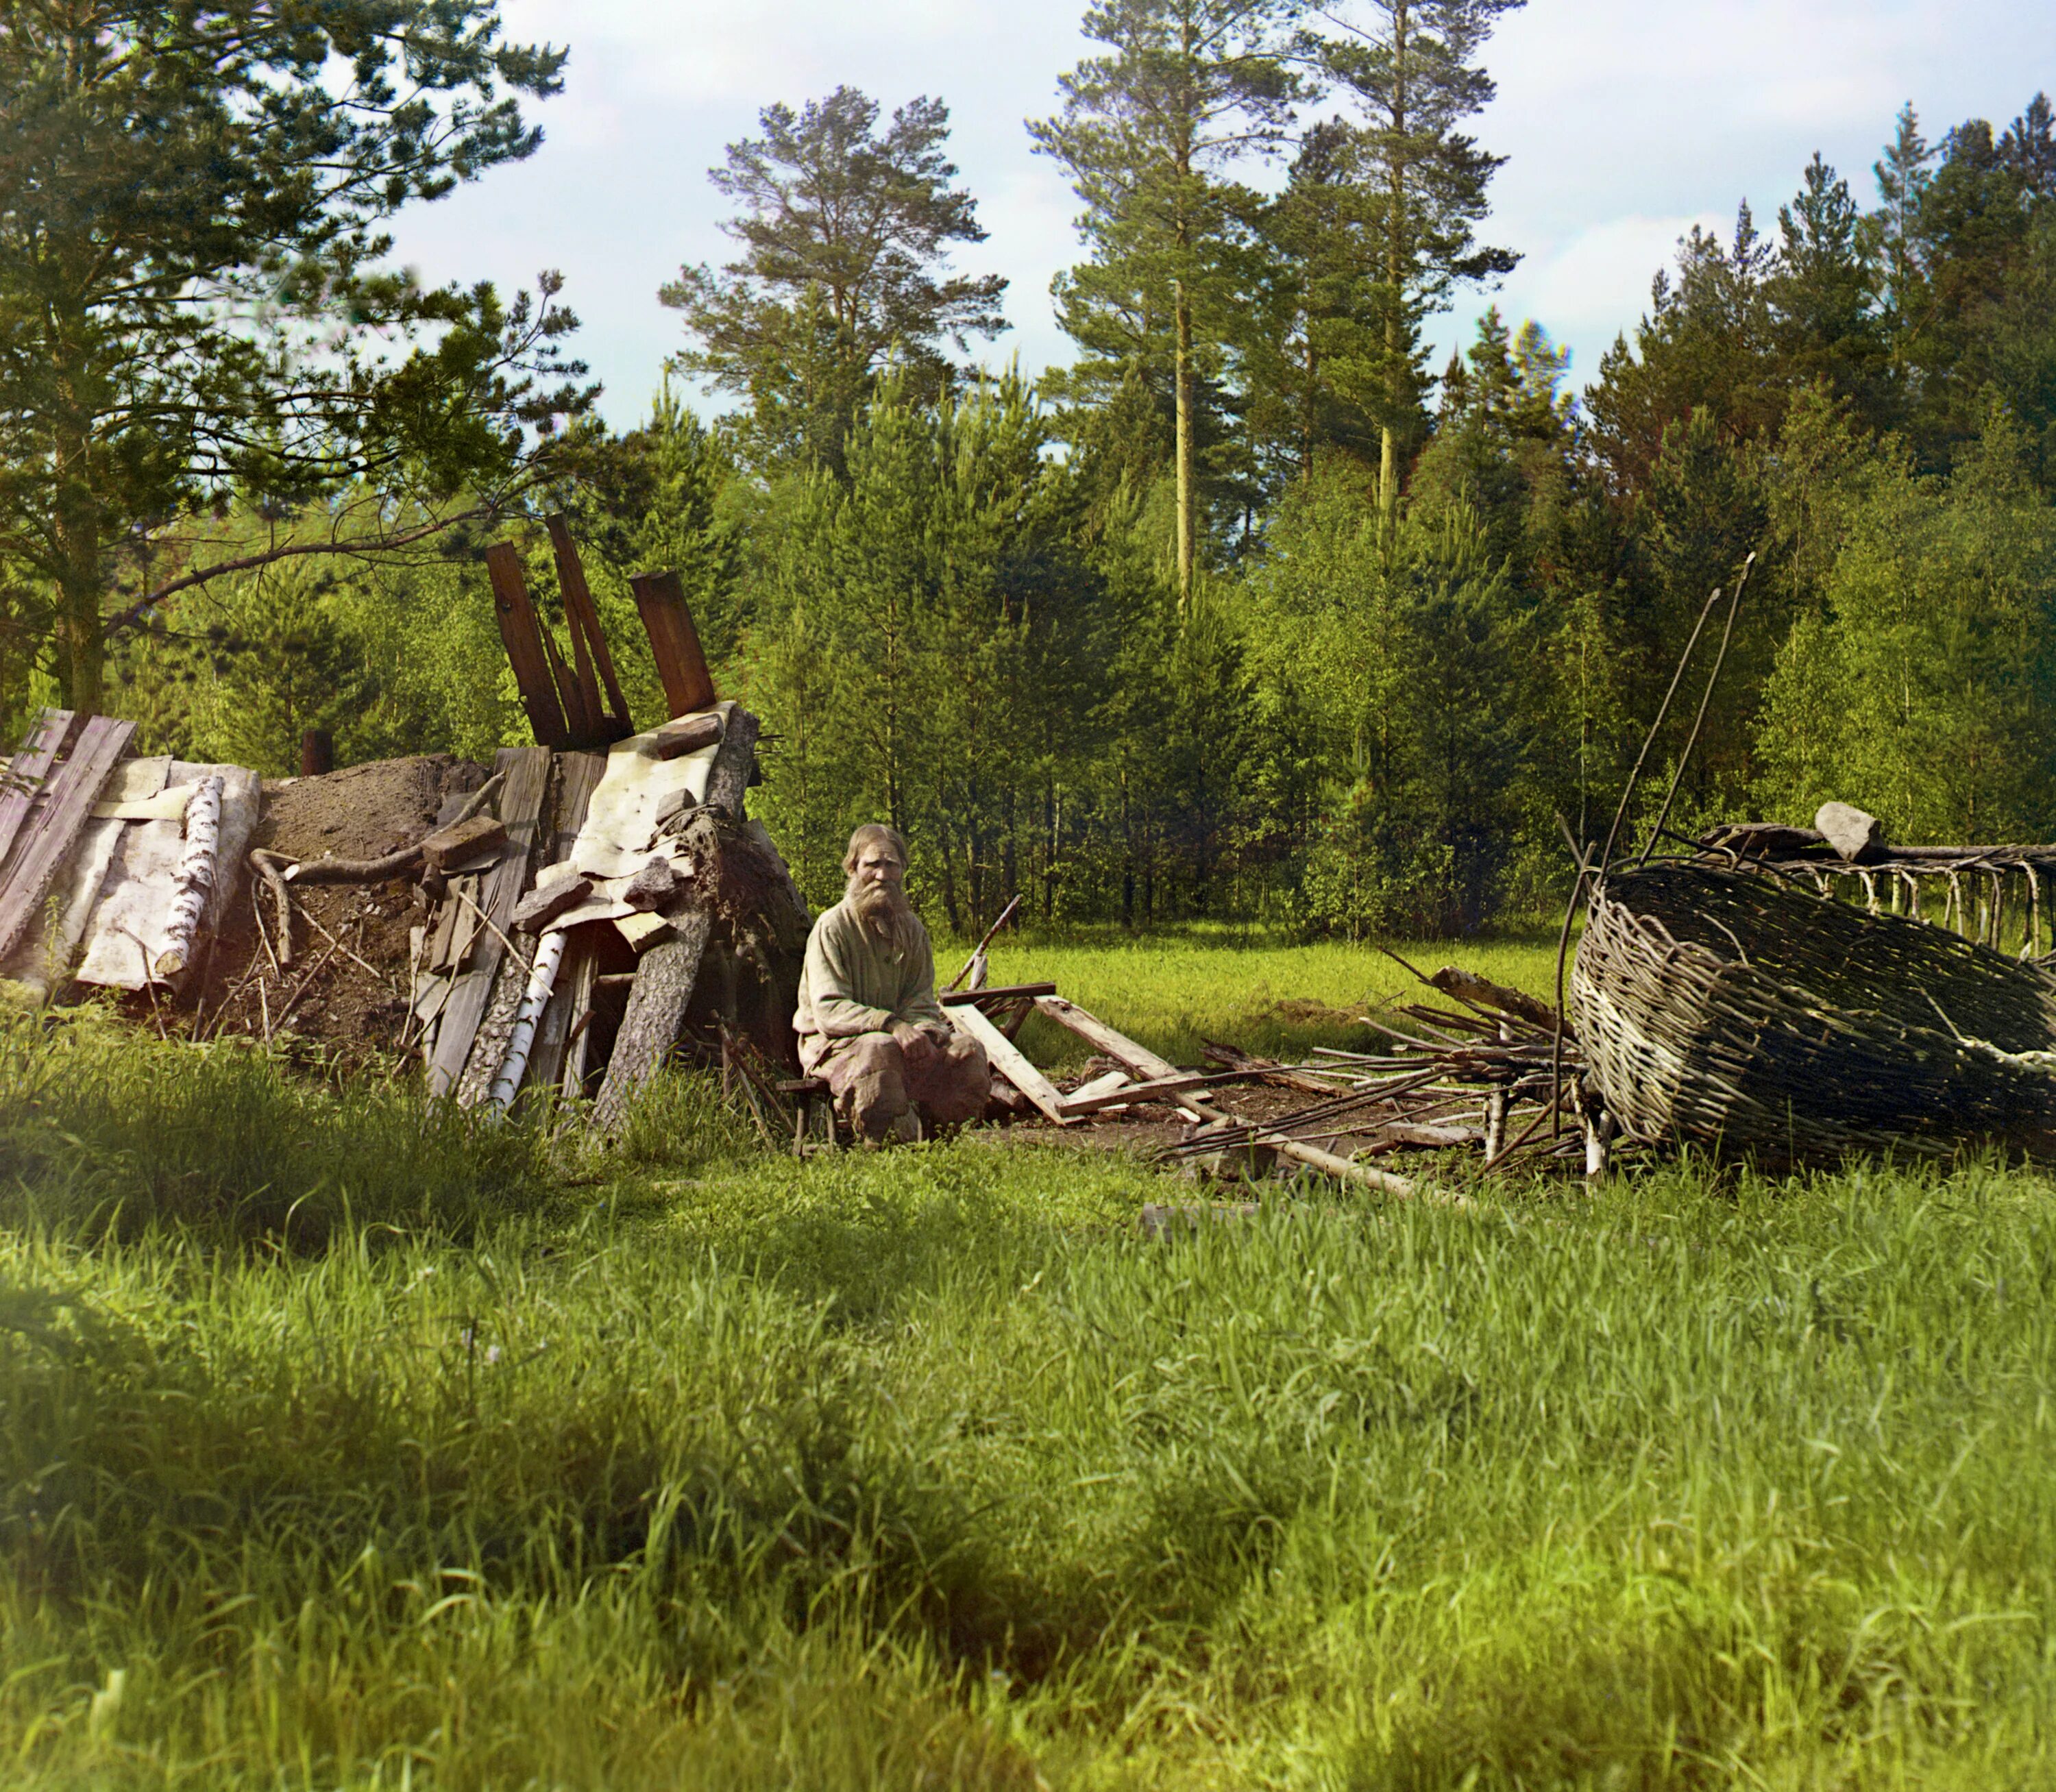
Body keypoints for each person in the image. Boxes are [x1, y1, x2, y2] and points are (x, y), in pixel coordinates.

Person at [793, 823, 990, 1141]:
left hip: (900, 1041)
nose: (882, 875)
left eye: (891, 865)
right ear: (852, 868)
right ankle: (885, 1143)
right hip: (834, 1046)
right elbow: (830, 1010)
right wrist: (893, 1026)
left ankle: (941, 1137)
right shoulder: (832, 928)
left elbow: (921, 1000)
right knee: (880, 1047)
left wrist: (924, 1031)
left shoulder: (912, 930)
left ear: (902, 871)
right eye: (872, 865)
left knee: (967, 1050)